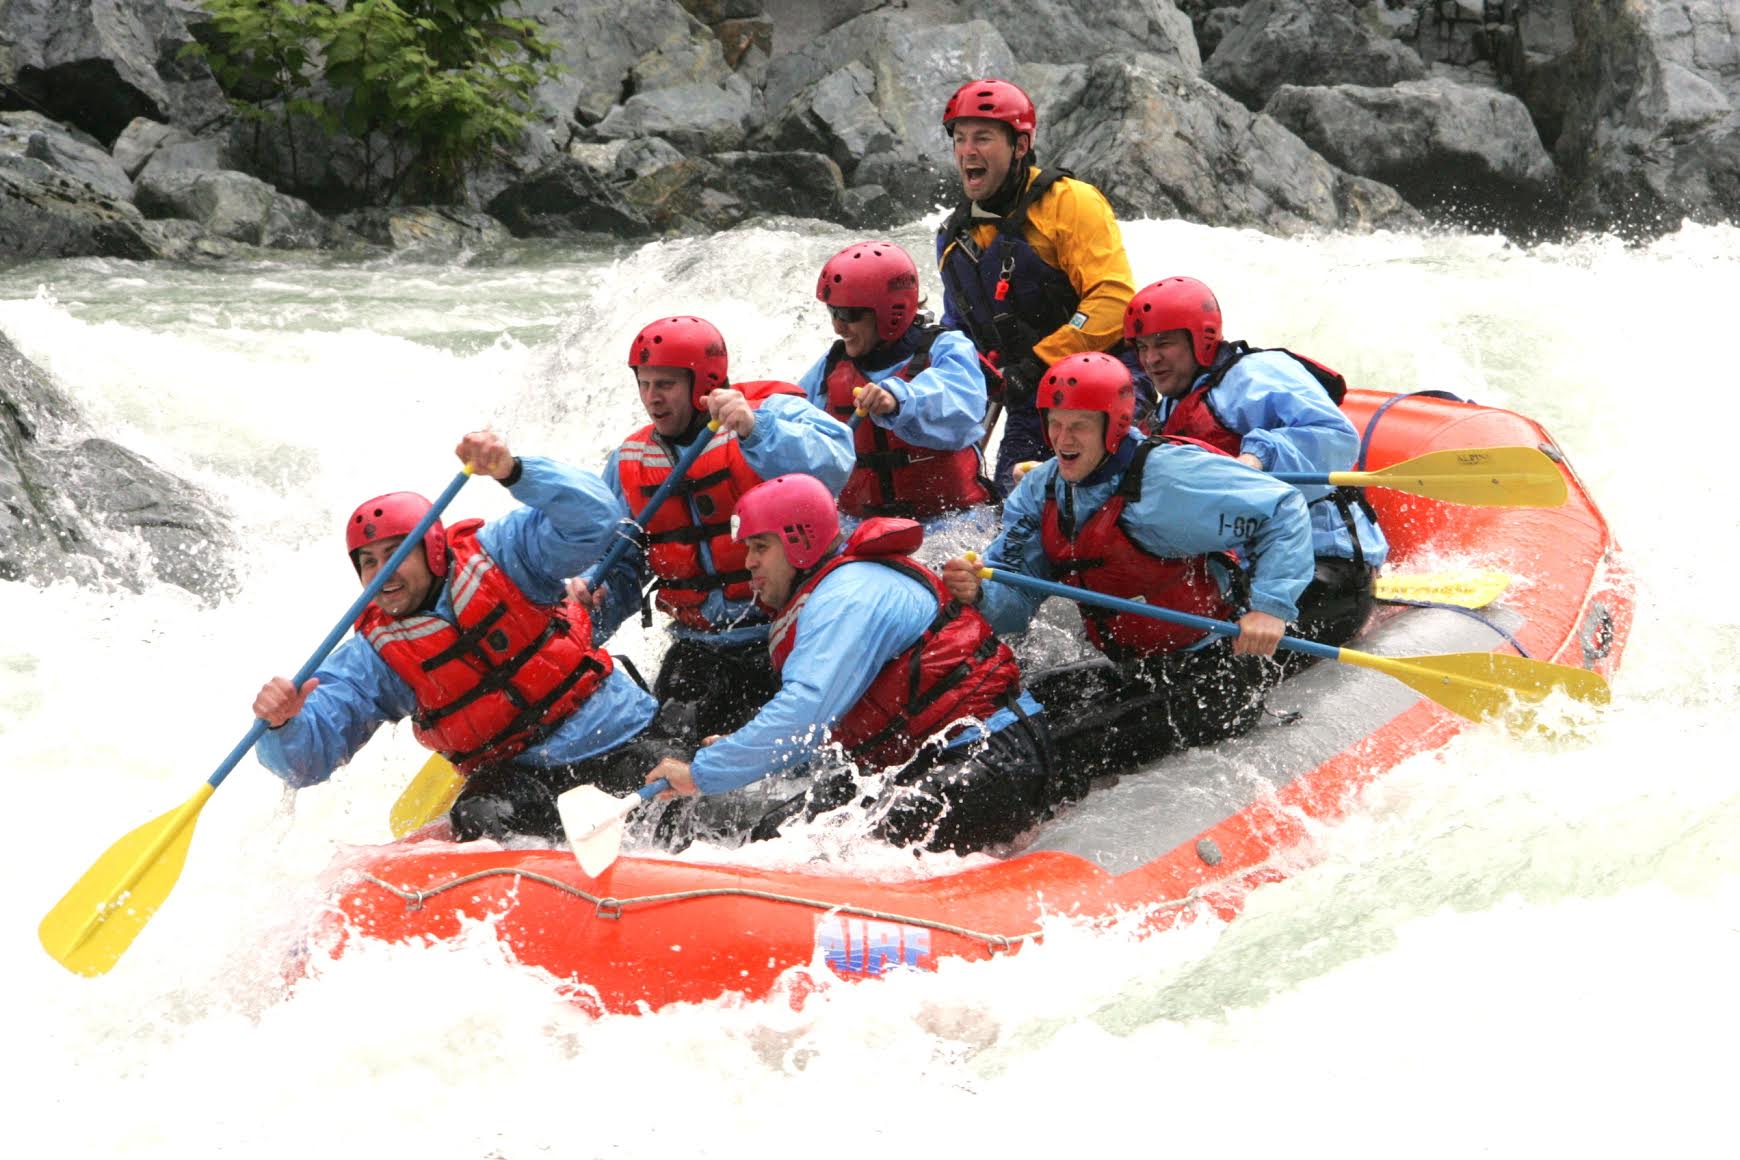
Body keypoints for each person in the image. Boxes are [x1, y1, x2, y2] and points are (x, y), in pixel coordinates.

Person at [252, 431, 682, 842]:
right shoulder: (374, 656)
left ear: (432, 550)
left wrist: (514, 471)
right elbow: (307, 761)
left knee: (677, 784)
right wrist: (284, 724)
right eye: (368, 562)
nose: (383, 573)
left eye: (395, 554)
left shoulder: (502, 554)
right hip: (522, 774)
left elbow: (595, 520)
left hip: (617, 732)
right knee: (480, 818)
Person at [640, 473, 1064, 855]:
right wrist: (739, 747)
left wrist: (701, 773)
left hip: (992, 758)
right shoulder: (834, 589)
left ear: (800, 542)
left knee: (810, 853)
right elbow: (820, 727)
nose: (749, 561)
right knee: (773, 837)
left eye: (760, 547)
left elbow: (804, 714)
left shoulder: (847, 596)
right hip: (944, 756)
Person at [940, 353, 1316, 781]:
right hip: (1135, 668)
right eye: (1055, 423)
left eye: (1080, 425)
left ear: (1115, 425)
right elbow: (1017, 600)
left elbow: (1283, 508)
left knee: (1060, 745)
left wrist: (1270, 607)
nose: (1063, 438)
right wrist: (980, 593)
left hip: (1214, 670)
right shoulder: (1041, 490)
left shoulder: (1169, 476)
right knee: (1016, 704)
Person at [576, 315, 855, 742]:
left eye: (665, 384)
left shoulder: (771, 414)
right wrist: (592, 599)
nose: (652, 398)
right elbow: (620, 565)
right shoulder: (630, 461)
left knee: (791, 745)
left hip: (789, 631)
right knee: (668, 747)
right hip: (700, 648)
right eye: (644, 384)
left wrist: (757, 431)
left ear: (704, 382)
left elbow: (836, 464)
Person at [1125, 275, 1389, 649]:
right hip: (1248, 570)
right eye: (1142, 347)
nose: (1151, 359)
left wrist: (1258, 457)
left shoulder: (1255, 375)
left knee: (1193, 664)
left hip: (1327, 571)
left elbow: (1338, 439)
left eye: (1164, 344)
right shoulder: (1171, 404)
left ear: (1201, 339)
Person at [935, 77, 1141, 491]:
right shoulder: (953, 239)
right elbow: (959, 331)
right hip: (1031, 402)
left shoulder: (1071, 202)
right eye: (960, 139)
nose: (968, 151)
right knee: (1015, 505)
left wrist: (1038, 362)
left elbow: (1114, 301)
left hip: (1109, 385)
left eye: (983, 138)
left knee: (1100, 495)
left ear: (1020, 146)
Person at [798, 239, 996, 523]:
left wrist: (897, 400)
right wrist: (753, 426)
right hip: (861, 526)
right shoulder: (831, 365)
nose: (838, 327)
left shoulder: (947, 348)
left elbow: (961, 406)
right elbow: (793, 417)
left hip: (949, 522)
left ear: (890, 310)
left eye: (848, 315)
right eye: (833, 312)